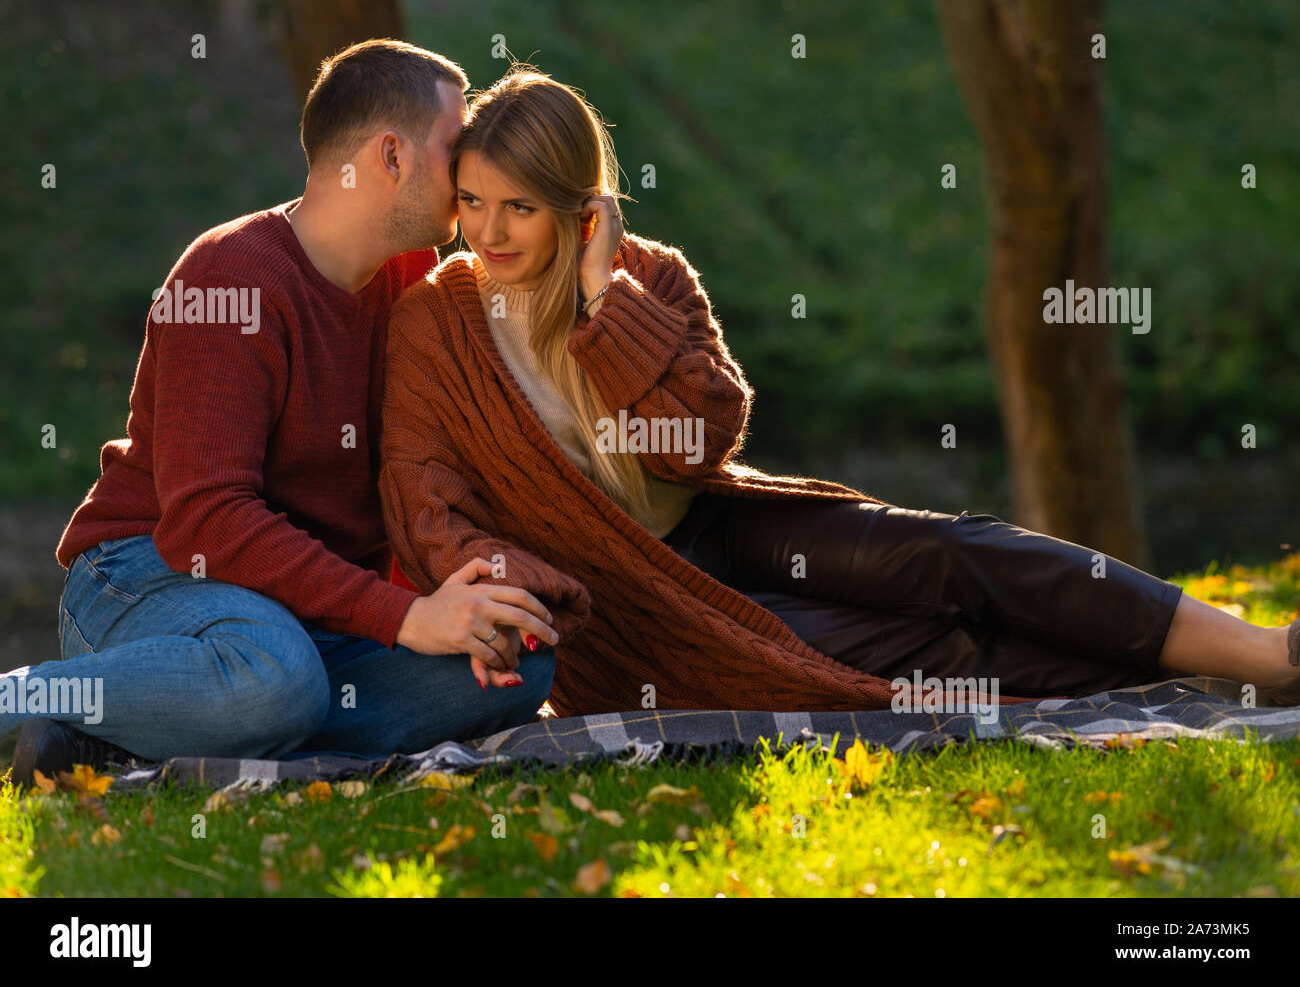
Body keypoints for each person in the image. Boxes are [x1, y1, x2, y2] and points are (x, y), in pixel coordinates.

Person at [380, 63, 1300, 717]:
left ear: (583, 210)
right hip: (628, 600)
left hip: (712, 524)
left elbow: (702, 444)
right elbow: (426, 505)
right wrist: (519, 590)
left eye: (519, 208)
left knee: (955, 556)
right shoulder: (435, 322)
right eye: (471, 201)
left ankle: (1266, 653)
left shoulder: (647, 276)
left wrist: (602, 301)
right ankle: (1174, 688)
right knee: (921, 655)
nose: (486, 233)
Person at [3, 40, 559, 789]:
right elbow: (208, 518)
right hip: (148, 573)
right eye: (453, 147)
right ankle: (25, 701)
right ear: (390, 156)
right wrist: (401, 618)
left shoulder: (413, 284)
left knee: (513, 658)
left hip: (302, 612)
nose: (470, 171)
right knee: (275, 677)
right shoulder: (229, 278)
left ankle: (134, 737)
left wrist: (449, 611)